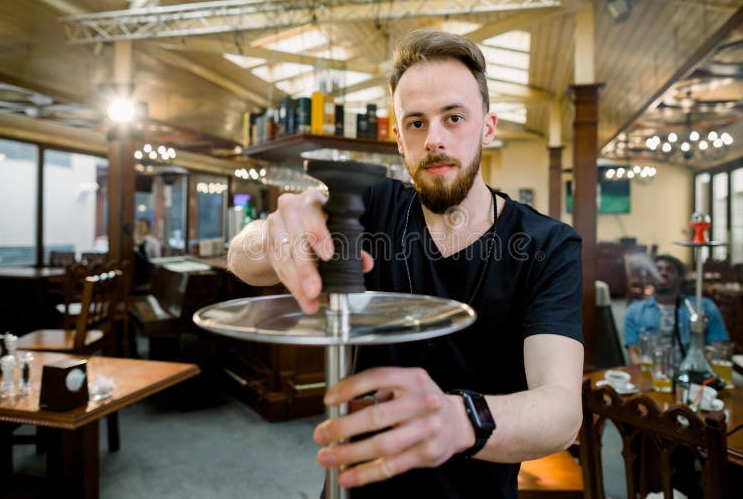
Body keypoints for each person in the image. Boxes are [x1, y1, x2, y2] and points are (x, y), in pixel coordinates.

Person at [228, 29, 584, 498]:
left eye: (453, 118)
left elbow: (561, 412)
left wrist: (459, 419)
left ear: (488, 127)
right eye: (416, 123)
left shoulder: (547, 244)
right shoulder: (370, 209)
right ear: (399, 139)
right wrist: (273, 233)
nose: (434, 139)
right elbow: (240, 259)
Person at [624, 254, 730, 365]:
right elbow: (633, 354)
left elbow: (718, 348)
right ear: (651, 277)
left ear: (680, 278)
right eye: (658, 269)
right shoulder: (634, 312)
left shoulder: (704, 307)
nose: (663, 273)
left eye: (669, 270)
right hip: (654, 376)